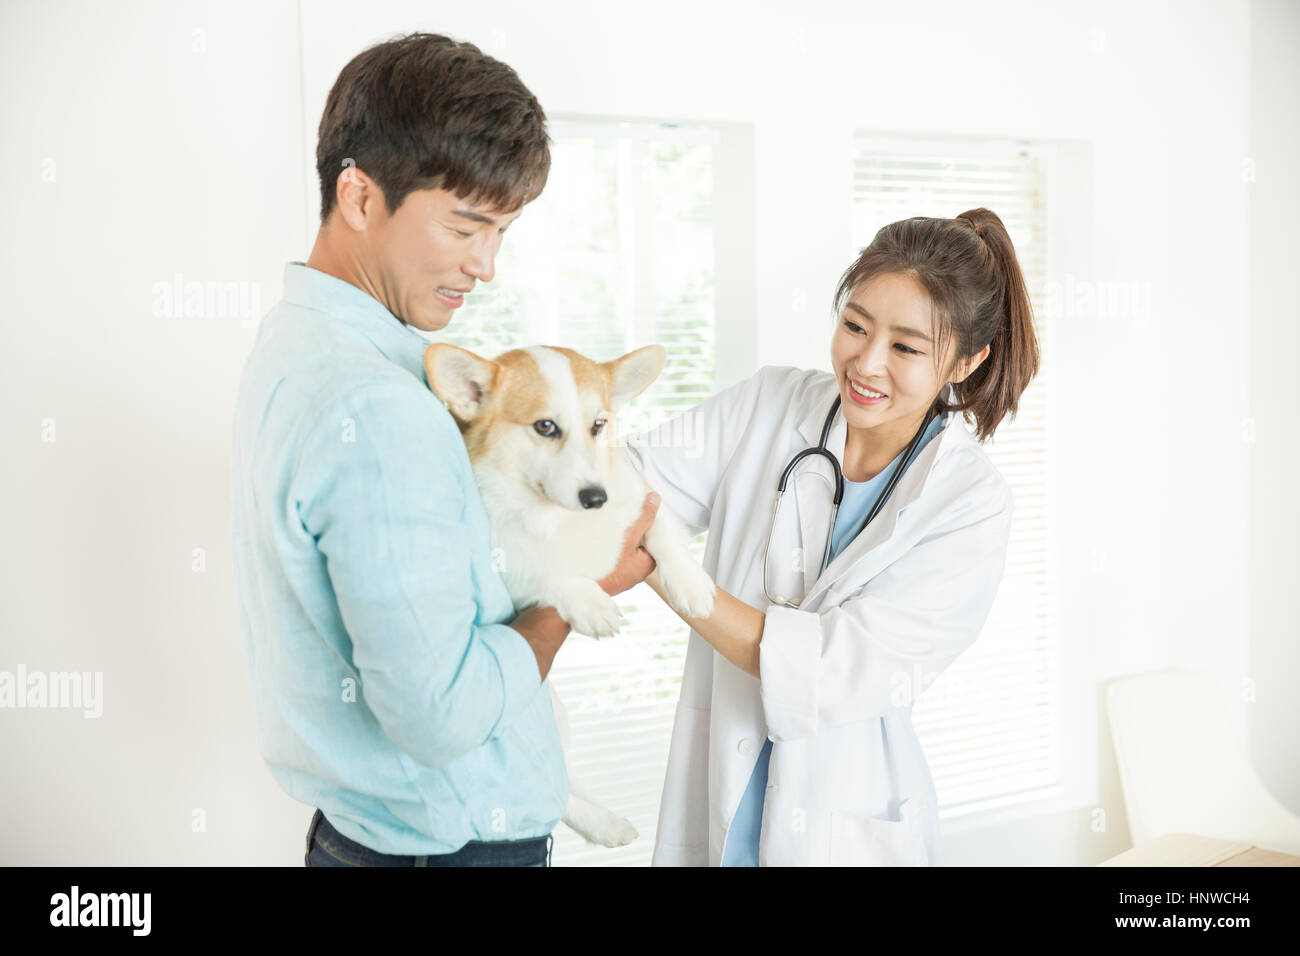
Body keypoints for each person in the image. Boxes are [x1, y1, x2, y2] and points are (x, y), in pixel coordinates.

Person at [229, 32, 659, 868]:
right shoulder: (379, 409)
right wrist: (576, 595)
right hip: (450, 850)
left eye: (501, 231)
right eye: (466, 226)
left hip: (365, 836)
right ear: (358, 195)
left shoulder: (296, 343)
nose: (486, 265)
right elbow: (441, 715)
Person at [624, 208, 1041, 866]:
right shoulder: (767, 406)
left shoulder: (969, 505)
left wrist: (665, 564)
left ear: (967, 360)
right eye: (853, 325)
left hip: (846, 828)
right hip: (720, 812)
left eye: (905, 348)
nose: (865, 363)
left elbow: (828, 670)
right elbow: (620, 493)